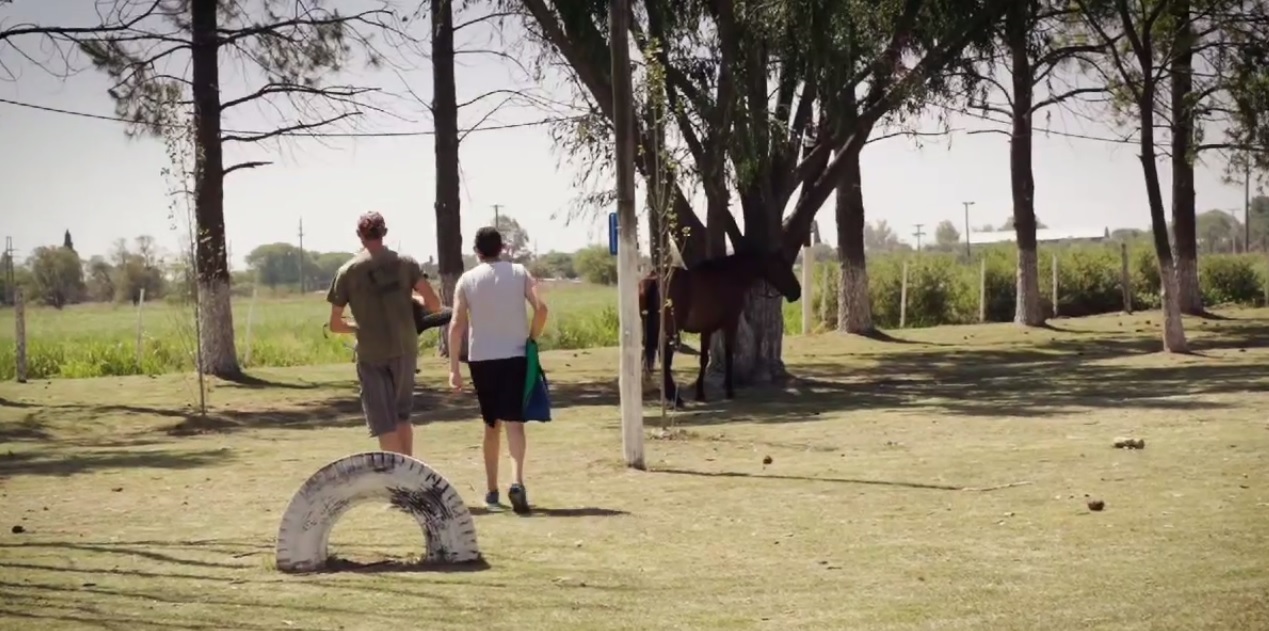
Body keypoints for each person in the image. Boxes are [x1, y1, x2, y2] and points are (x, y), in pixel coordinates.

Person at [448, 226, 549, 514]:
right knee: (515, 422)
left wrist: (454, 368)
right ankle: (517, 481)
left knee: (492, 425)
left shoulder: (467, 280)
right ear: (502, 247)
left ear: (476, 250)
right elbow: (541, 309)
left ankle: (492, 490)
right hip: (515, 355)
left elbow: (456, 325)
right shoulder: (519, 273)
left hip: (482, 359)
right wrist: (532, 336)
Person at [327, 211, 442, 457]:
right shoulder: (407, 263)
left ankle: (397, 477)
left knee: (383, 422)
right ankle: (410, 474)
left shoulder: (347, 271)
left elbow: (335, 324)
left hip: (371, 353)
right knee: (402, 416)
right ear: (385, 233)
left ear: (359, 236)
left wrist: (357, 327)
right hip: (404, 348)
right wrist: (410, 297)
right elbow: (434, 305)